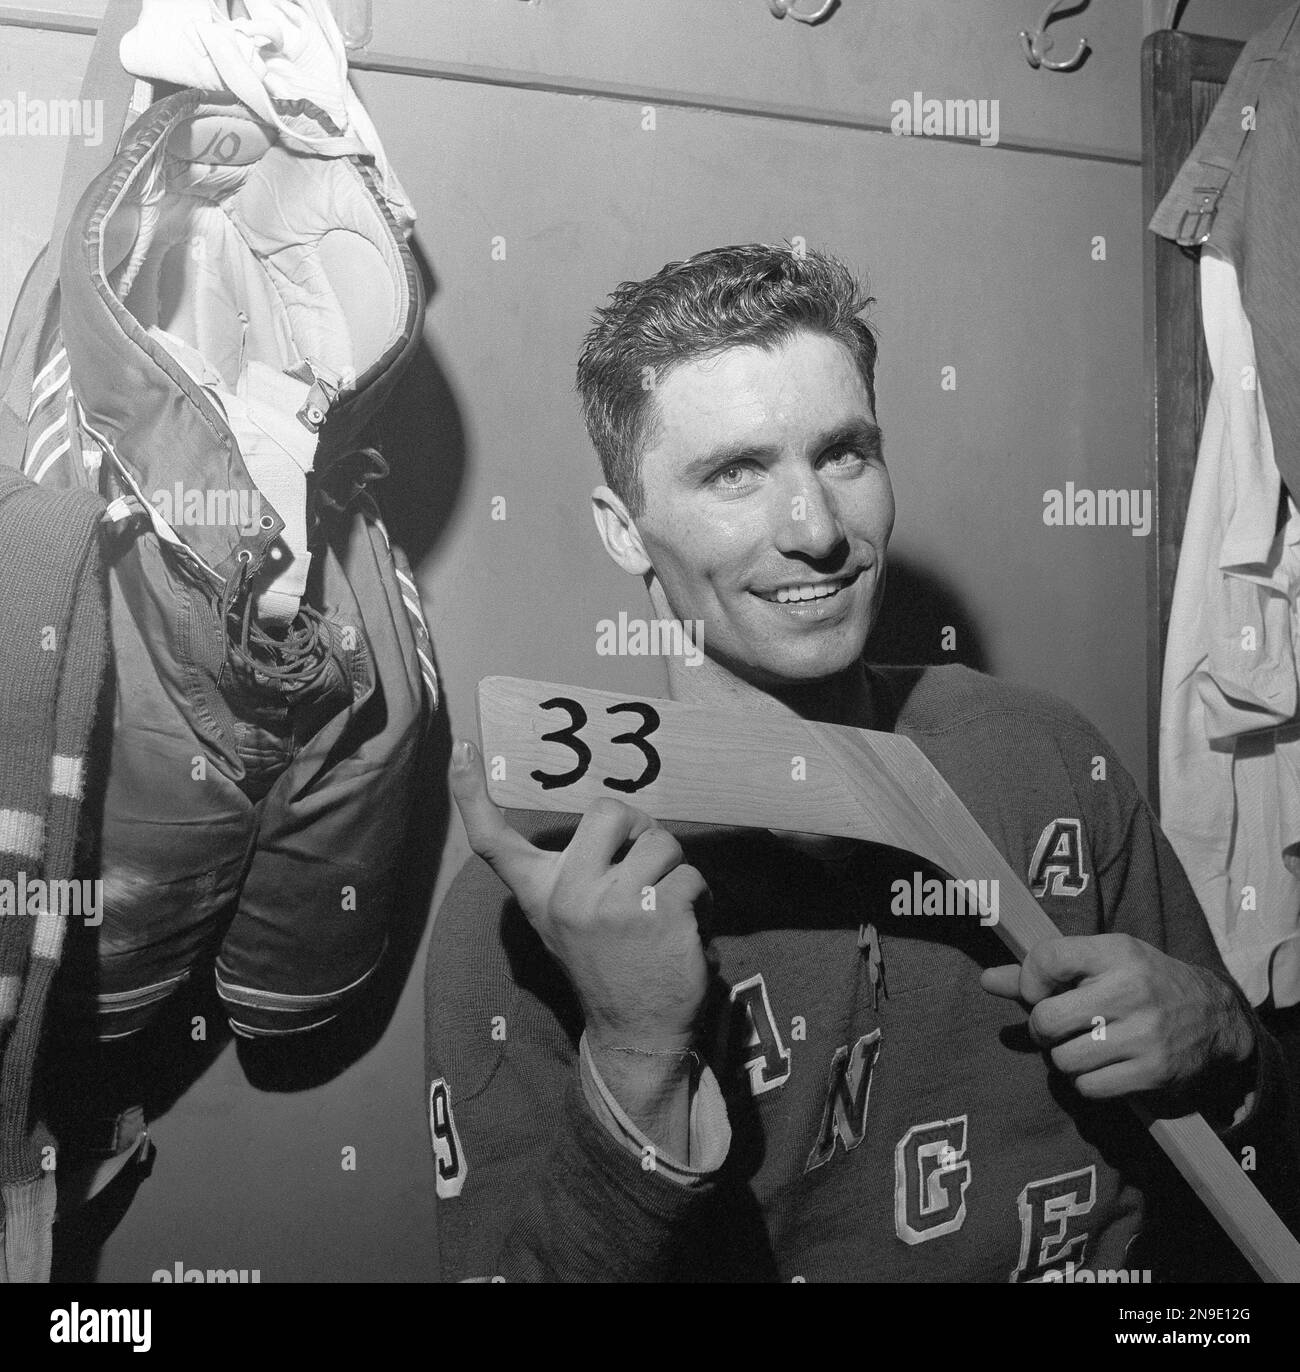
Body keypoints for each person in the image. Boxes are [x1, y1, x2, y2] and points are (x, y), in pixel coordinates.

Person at [425, 244, 1297, 1282]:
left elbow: (1259, 1153)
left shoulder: (1046, 755)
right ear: (625, 531)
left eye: (843, 453)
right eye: (735, 473)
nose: (817, 531)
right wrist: (632, 1048)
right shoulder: (532, 905)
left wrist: (1230, 1046)